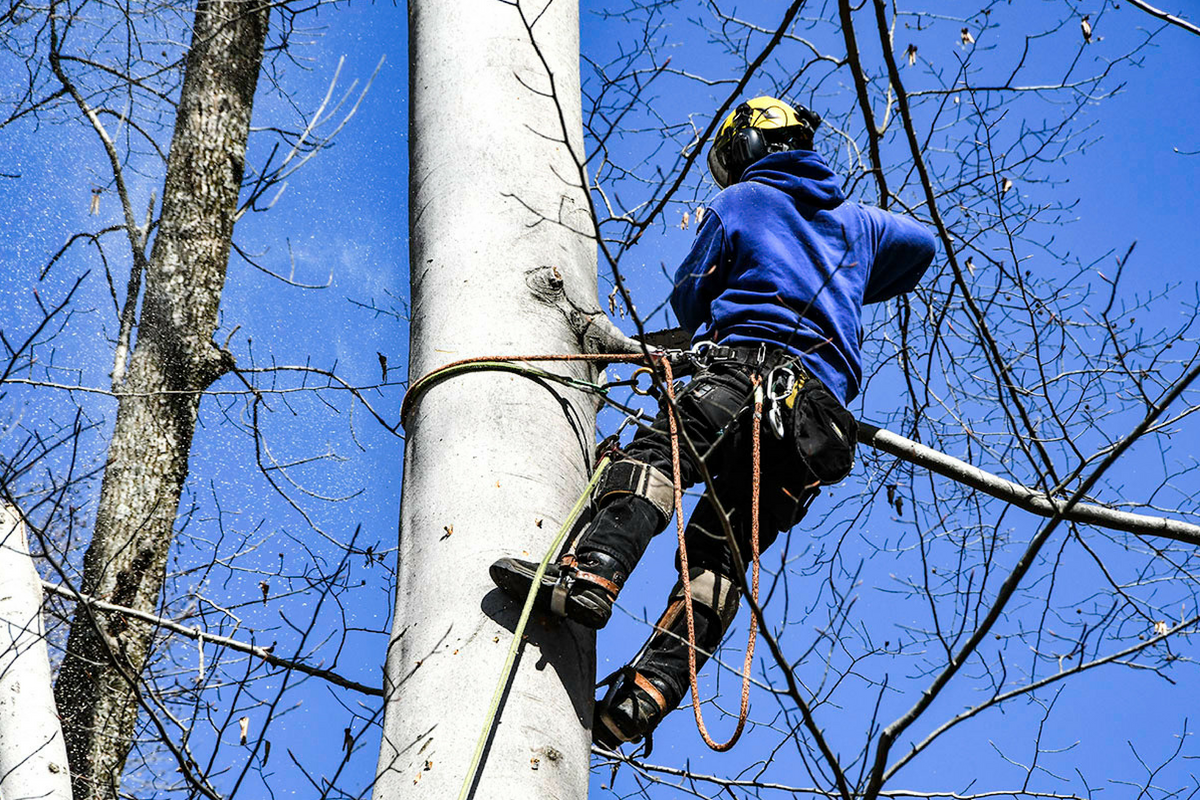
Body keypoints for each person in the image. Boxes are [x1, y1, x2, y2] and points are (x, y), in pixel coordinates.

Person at [490, 96, 937, 748]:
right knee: (721, 556)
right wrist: (845, 267)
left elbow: (692, 294)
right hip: (818, 429)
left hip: (745, 373)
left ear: (750, 148)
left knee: (655, 458)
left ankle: (592, 573)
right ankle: (648, 695)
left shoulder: (745, 199)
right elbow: (921, 246)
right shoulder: (857, 223)